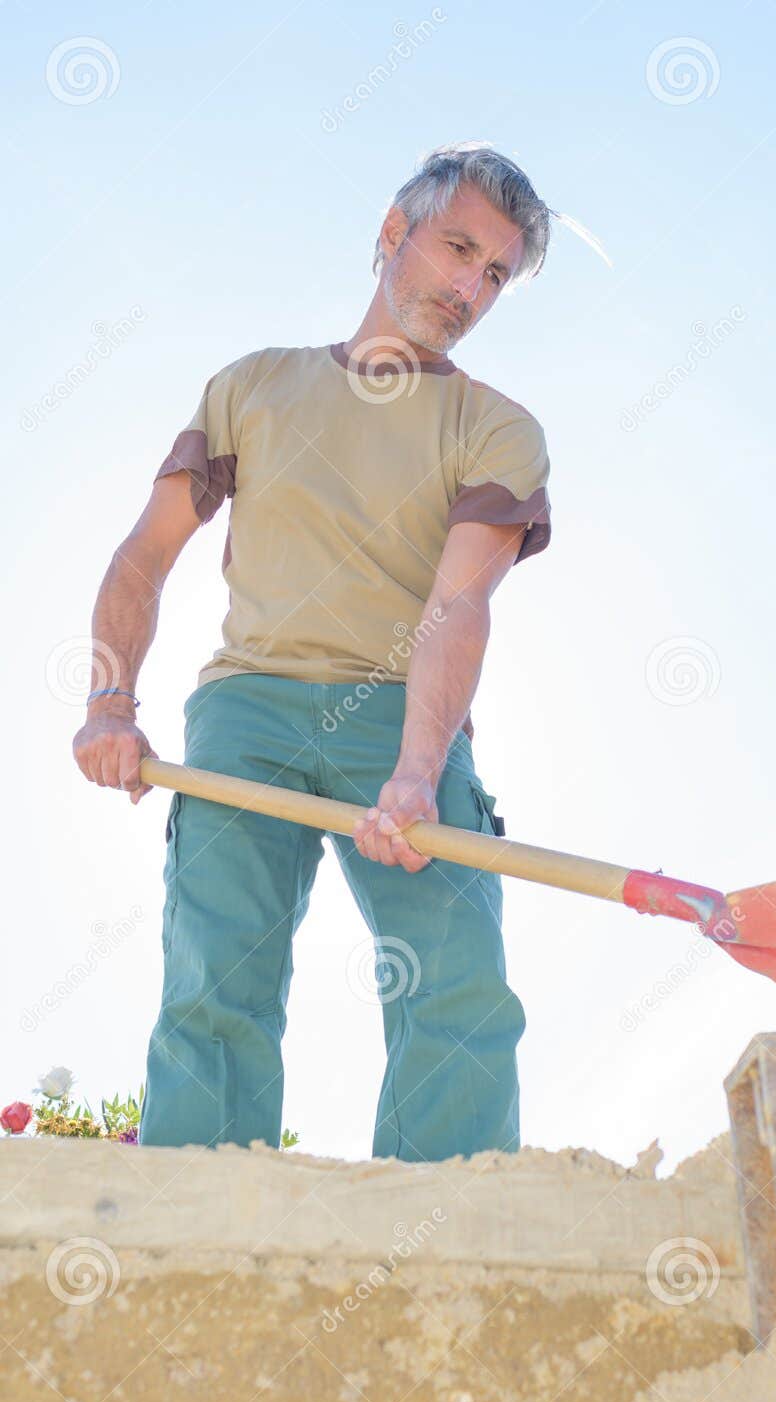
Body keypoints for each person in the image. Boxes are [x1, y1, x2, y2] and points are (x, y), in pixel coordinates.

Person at [72, 143, 554, 1162]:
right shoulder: (255, 387)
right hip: (246, 713)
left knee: (459, 986)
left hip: (402, 716)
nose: (470, 288)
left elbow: (458, 605)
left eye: (496, 274)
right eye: (458, 248)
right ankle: (198, 1223)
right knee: (217, 979)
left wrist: (420, 774)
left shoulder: (497, 428)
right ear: (393, 233)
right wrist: (109, 704)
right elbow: (144, 554)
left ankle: (442, 1230)